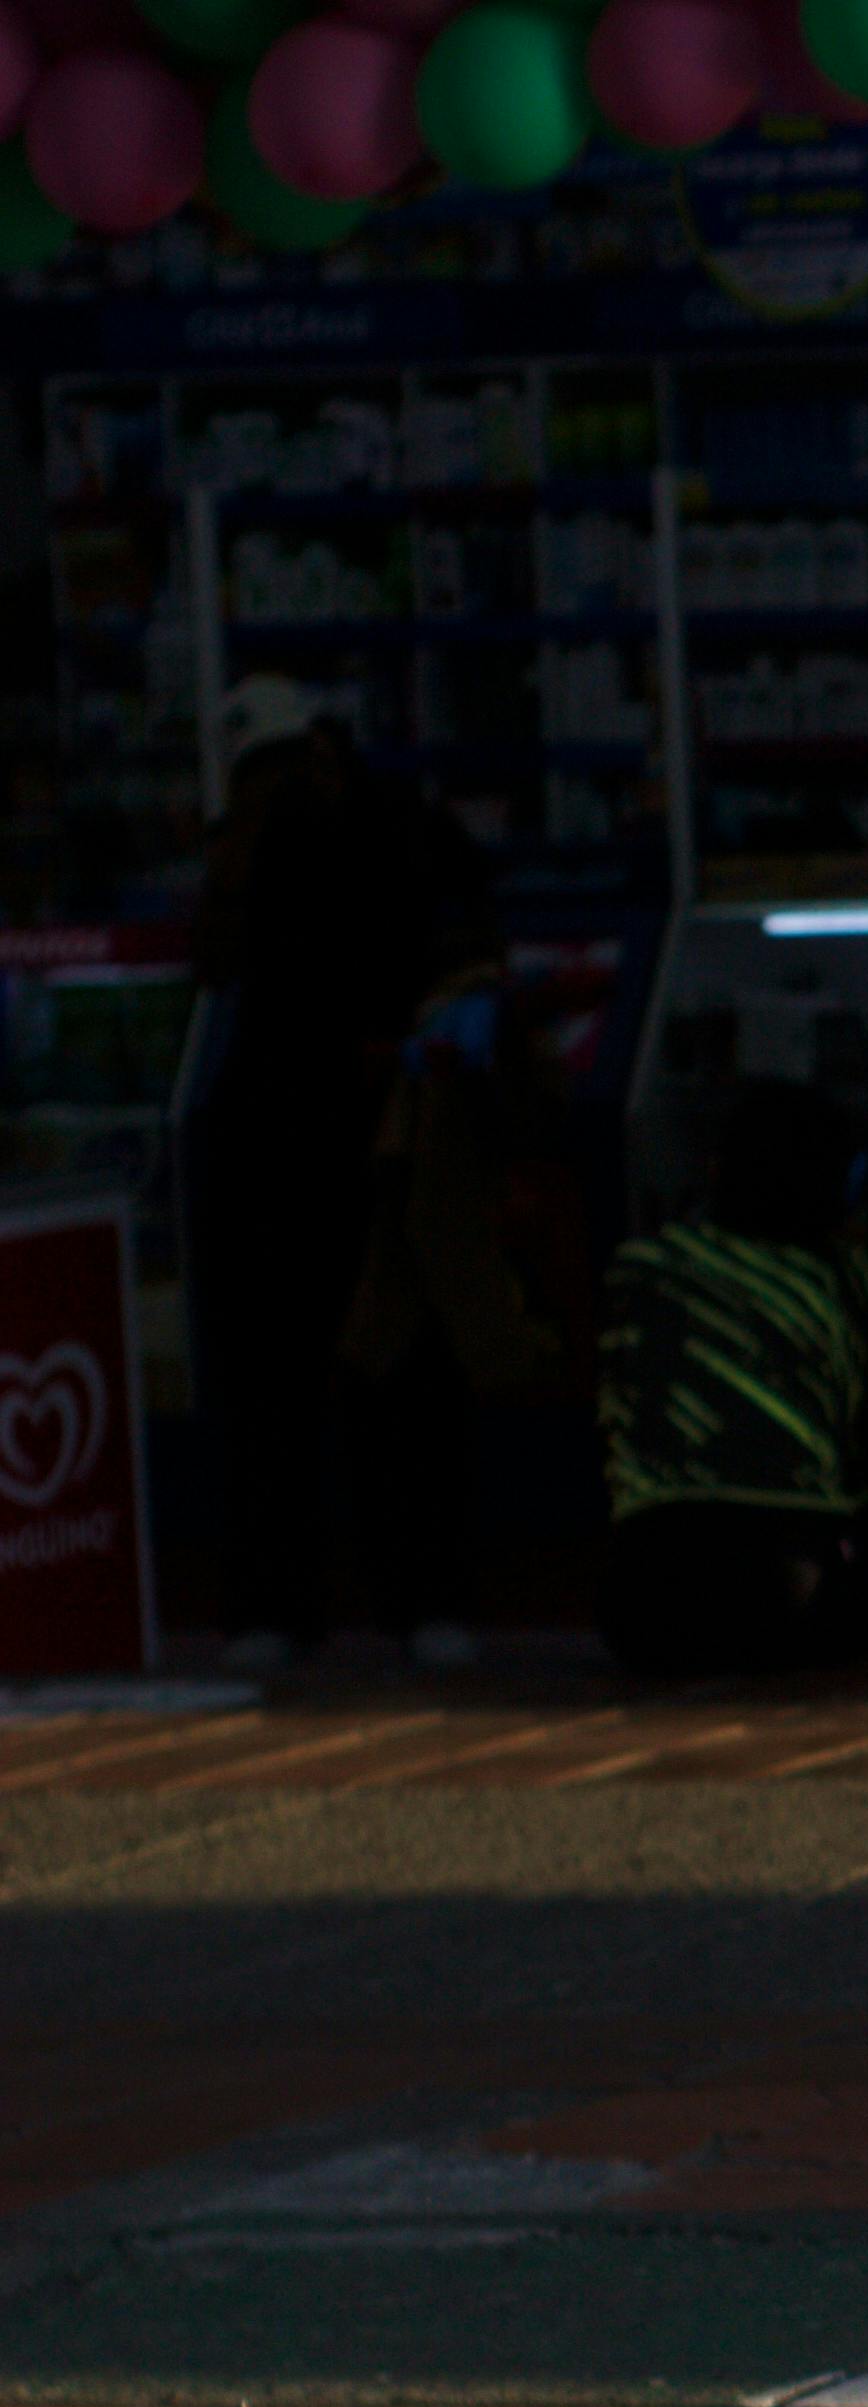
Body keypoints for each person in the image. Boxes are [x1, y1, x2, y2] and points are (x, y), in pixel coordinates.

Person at [184, 677, 500, 1669]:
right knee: (327, 1378)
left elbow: (463, 949)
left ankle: (344, 1605)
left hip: (349, 1137)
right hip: (320, 1140)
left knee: (361, 1376)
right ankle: (366, 1605)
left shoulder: (391, 836)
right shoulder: (345, 835)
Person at [593, 1077, 868, 1676]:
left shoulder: (645, 1266)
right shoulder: (857, 1281)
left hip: (642, 1598)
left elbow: (615, 1420)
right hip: (784, 1591)